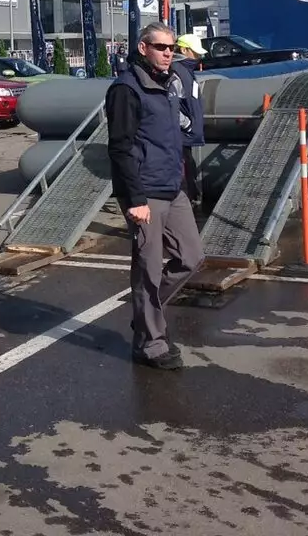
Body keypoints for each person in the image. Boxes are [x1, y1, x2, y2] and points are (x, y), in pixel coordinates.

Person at [105, 21, 205, 370]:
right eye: (161, 47)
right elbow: (120, 148)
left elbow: (173, 141)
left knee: (191, 257)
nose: (168, 53)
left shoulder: (168, 86)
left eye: (172, 47)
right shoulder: (127, 89)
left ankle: (145, 313)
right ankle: (150, 343)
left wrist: (185, 183)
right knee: (148, 269)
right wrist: (135, 200)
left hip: (172, 187)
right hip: (144, 192)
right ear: (142, 48)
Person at [174, 34, 208, 204]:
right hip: (178, 137)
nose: (199, 57)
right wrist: (187, 124)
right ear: (184, 50)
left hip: (185, 138)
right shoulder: (176, 72)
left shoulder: (186, 71)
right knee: (181, 182)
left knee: (187, 173)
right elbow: (169, 104)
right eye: (195, 53)